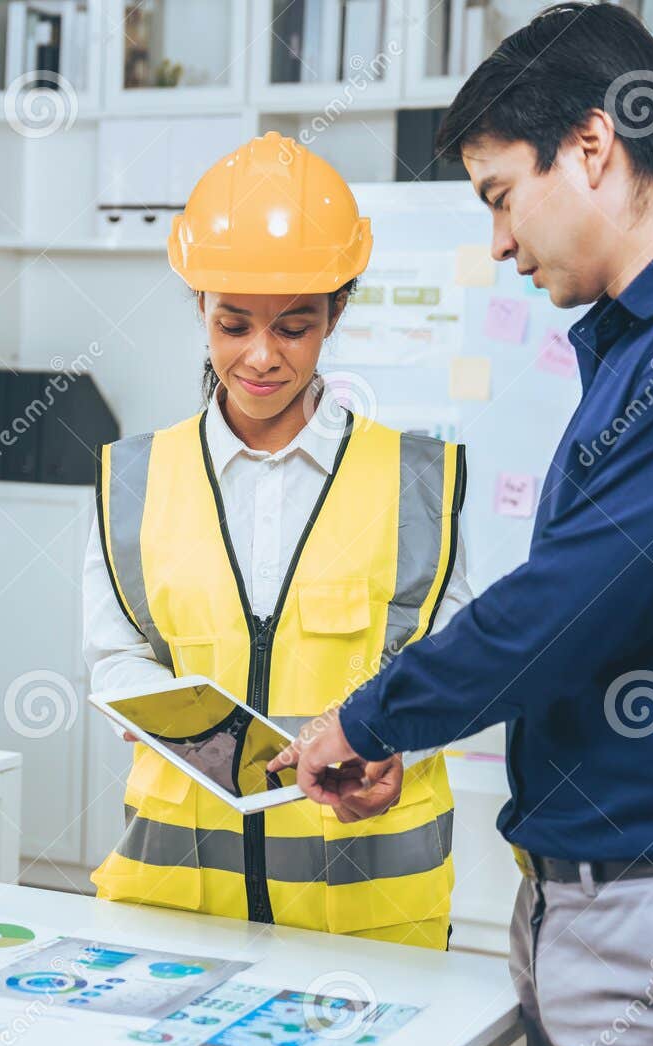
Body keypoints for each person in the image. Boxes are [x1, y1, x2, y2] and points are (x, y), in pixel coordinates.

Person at [274, 3, 653, 1046]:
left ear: (593, 145)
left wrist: (367, 719)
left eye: (501, 196)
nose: (499, 243)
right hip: (619, 904)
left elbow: (565, 608)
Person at [85, 133, 471, 949]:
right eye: (232, 324)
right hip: (178, 913)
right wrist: (171, 714)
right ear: (200, 305)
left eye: (294, 327)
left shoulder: (419, 482)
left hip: (367, 923)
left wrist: (395, 743)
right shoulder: (134, 478)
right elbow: (113, 656)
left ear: (336, 313)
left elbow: (455, 668)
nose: (260, 357)